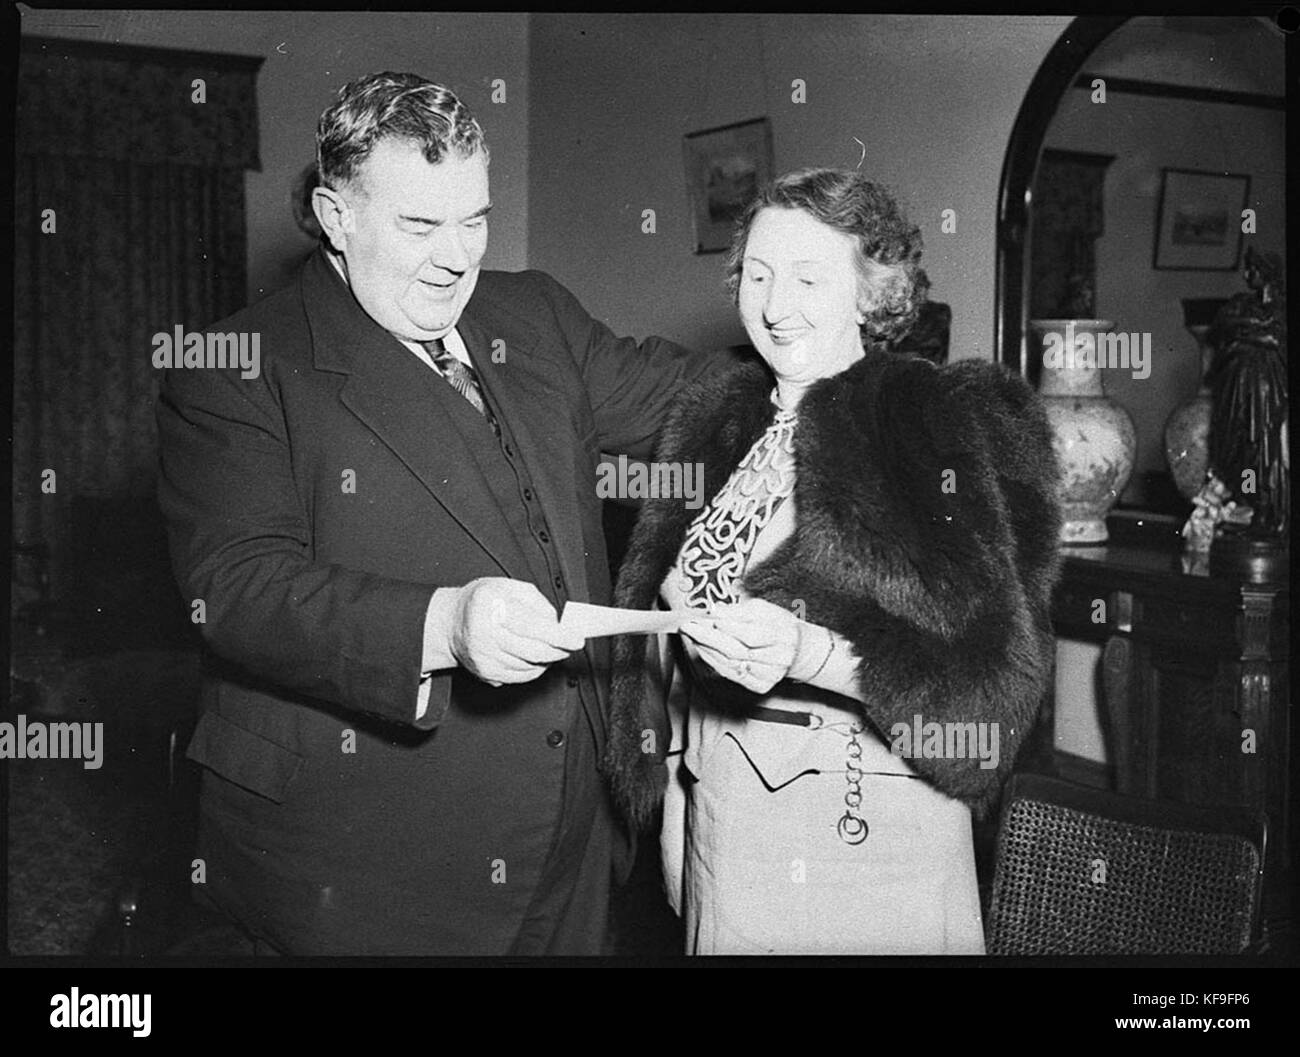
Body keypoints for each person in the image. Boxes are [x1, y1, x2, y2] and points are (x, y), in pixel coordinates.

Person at [156, 71, 717, 955]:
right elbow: (237, 589)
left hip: (574, 844)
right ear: (336, 217)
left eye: (475, 220)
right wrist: (445, 624)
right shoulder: (235, 365)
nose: (457, 257)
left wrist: (836, 353)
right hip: (369, 862)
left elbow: (692, 399)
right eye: (419, 225)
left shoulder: (533, 314)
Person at [603, 168, 1063, 955]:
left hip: (868, 852)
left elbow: (995, 698)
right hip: (728, 835)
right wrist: (680, 812)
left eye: (810, 276)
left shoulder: (929, 425)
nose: (777, 304)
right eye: (758, 273)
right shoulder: (719, 424)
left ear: (872, 291)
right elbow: (675, 657)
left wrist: (805, 651)